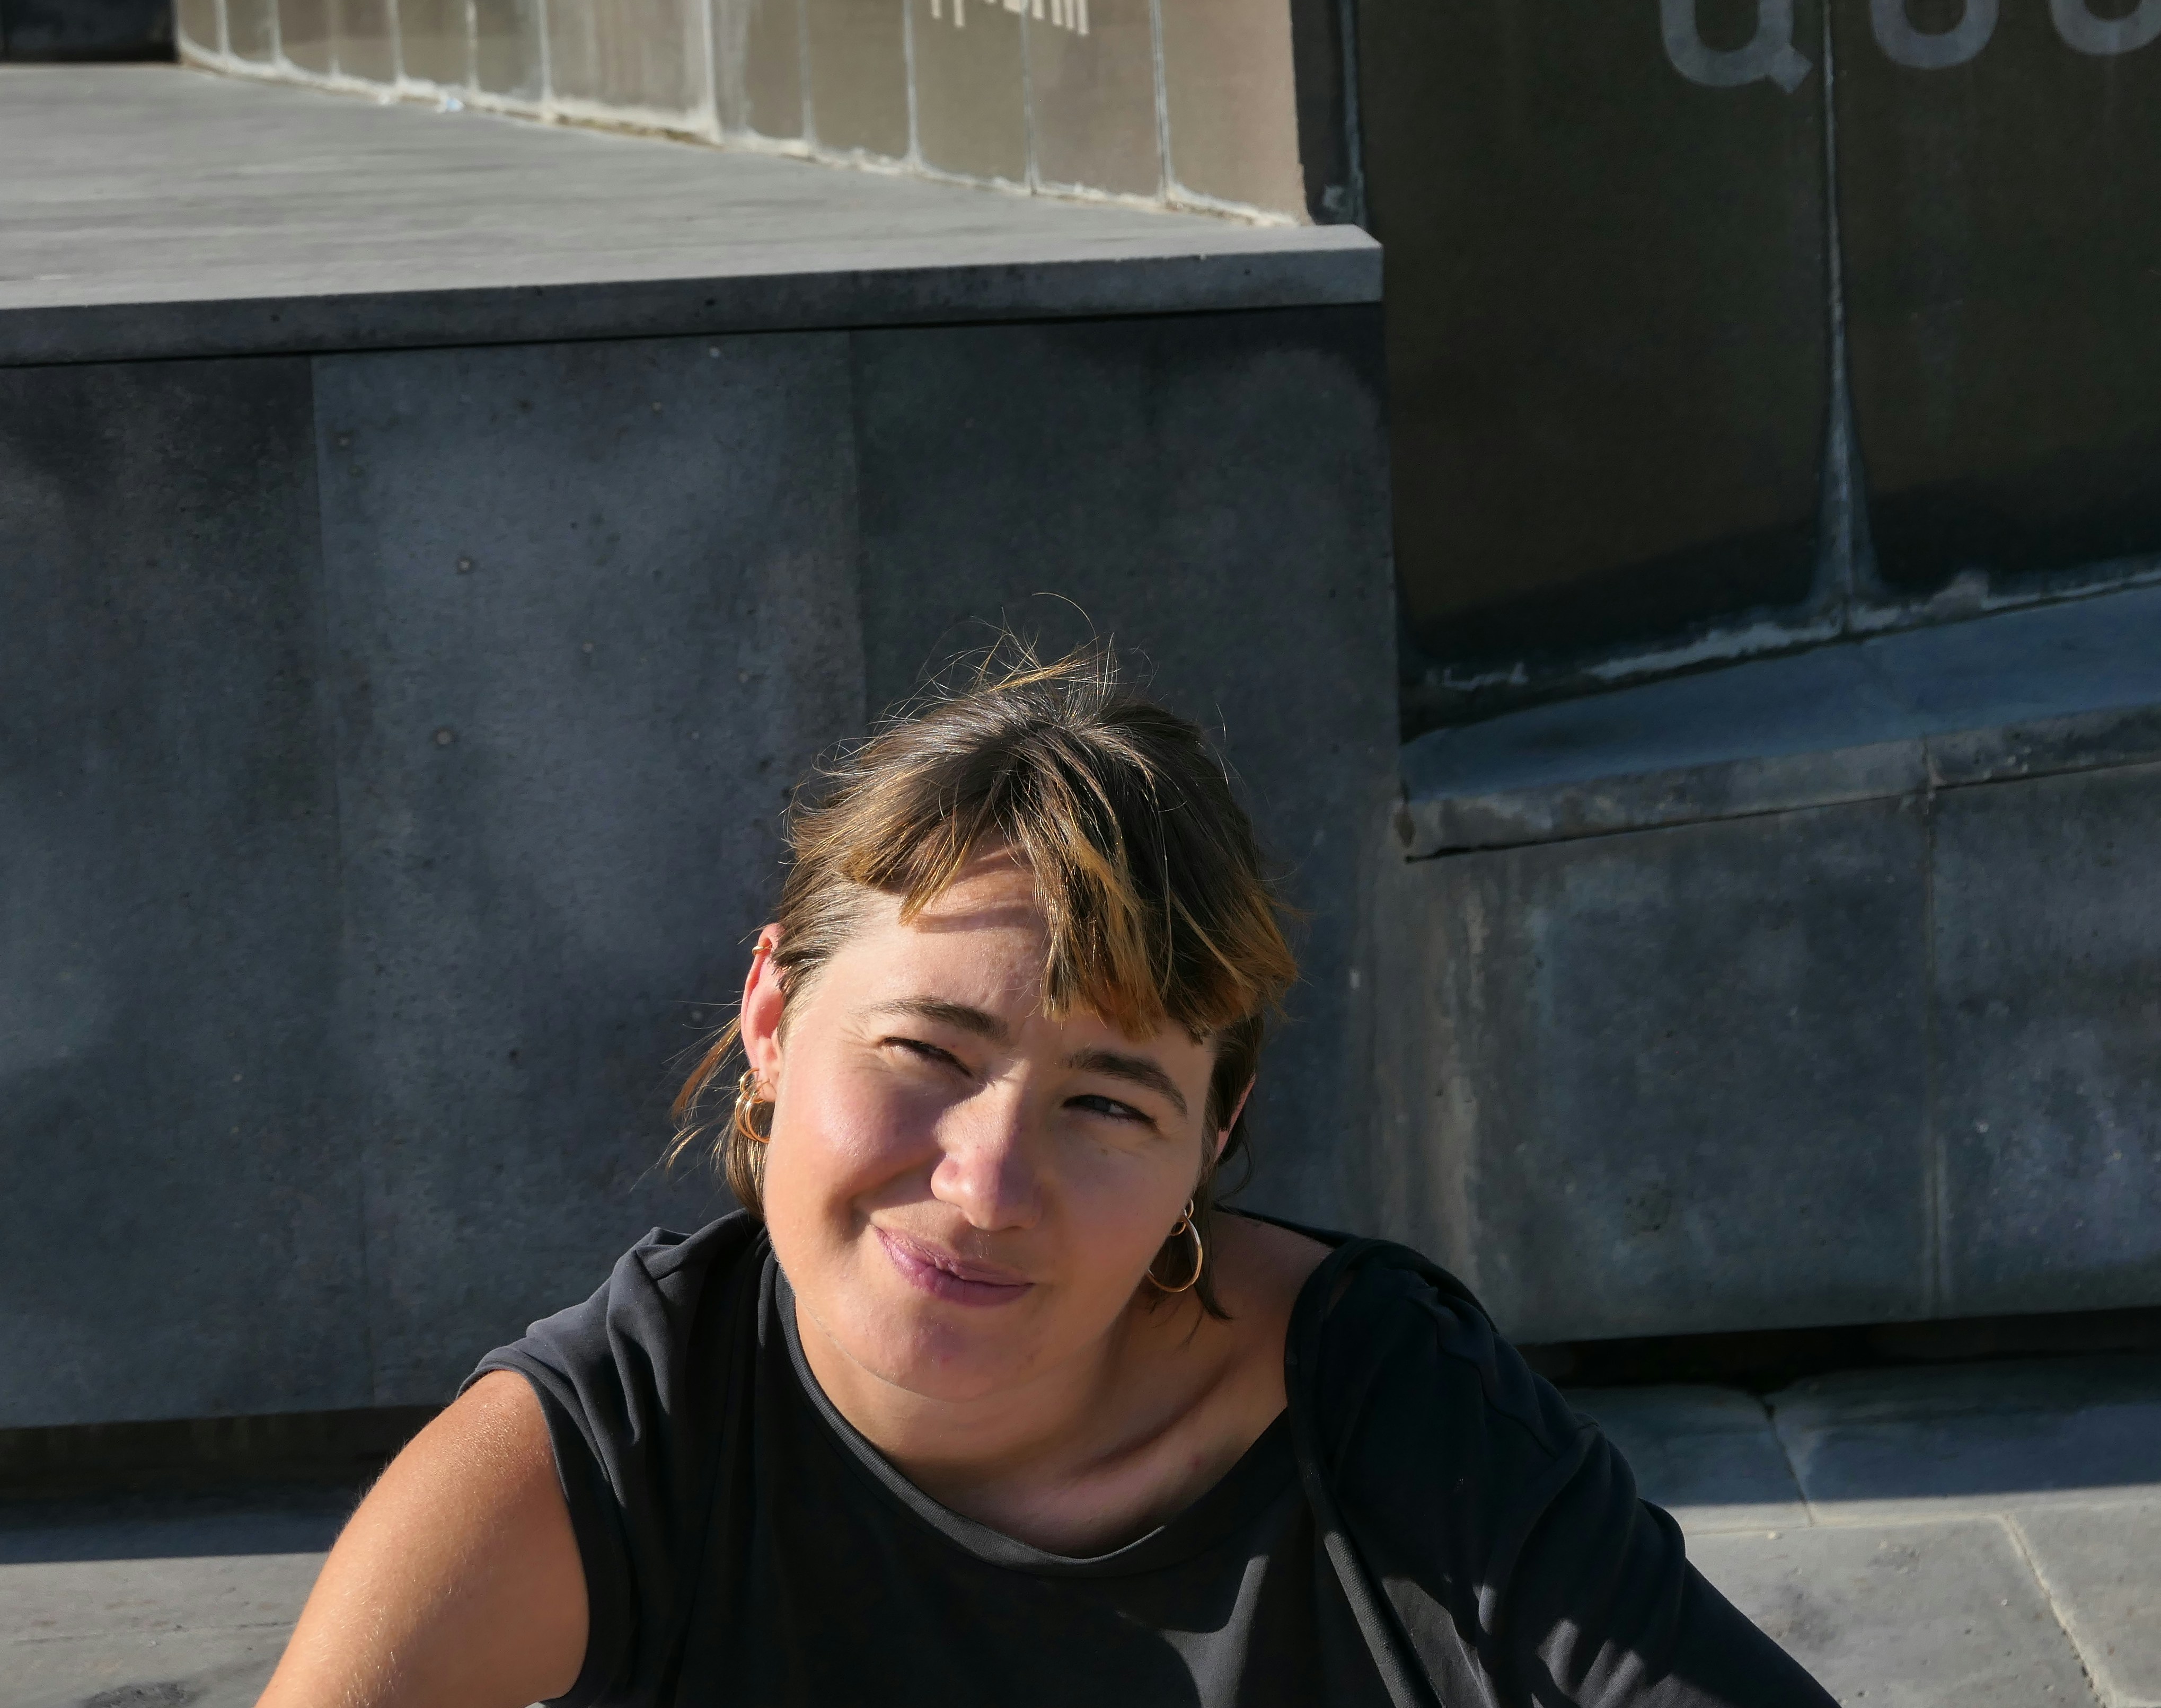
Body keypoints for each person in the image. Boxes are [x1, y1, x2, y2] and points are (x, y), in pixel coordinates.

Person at [256, 648, 1836, 1708]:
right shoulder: (603, 1450)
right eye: (928, 1055)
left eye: (1110, 1104)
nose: (989, 1179)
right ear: (772, 1014)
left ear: (1217, 1141)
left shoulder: (1383, 1411)